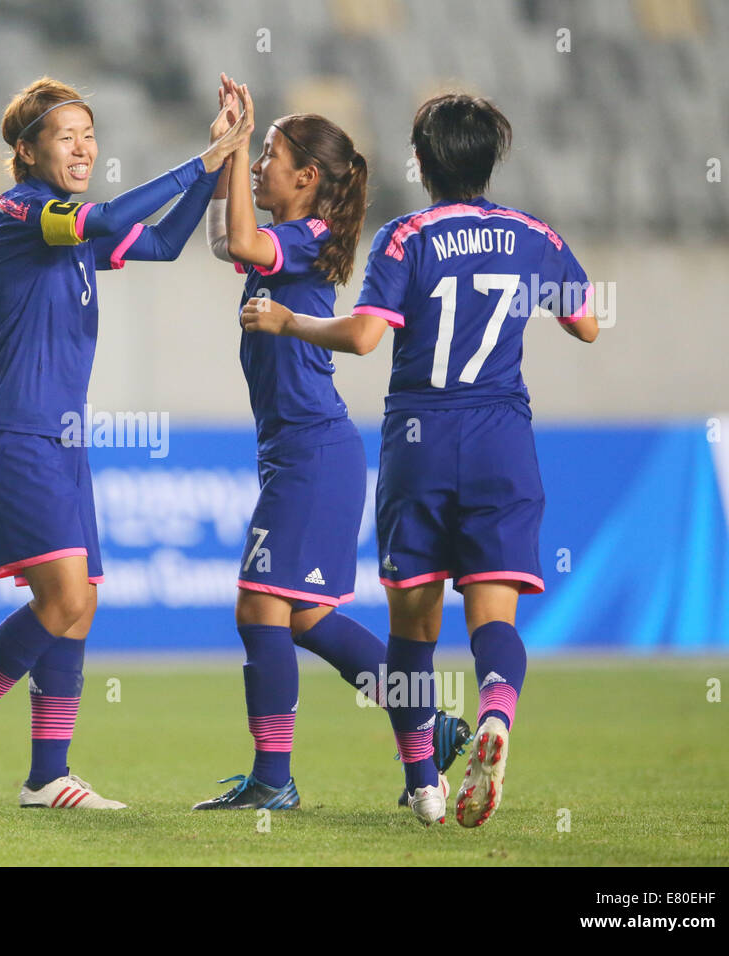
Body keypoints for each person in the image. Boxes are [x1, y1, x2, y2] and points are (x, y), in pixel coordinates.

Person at [240, 92, 599, 826]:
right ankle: (495, 712)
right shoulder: (533, 234)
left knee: (413, 632)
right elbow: (587, 325)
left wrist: (287, 318)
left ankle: (424, 787)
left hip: (421, 443)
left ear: (423, 161)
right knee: (494, 615)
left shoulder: (407, 237)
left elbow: (367, 336)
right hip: (502, 436)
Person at [0, 76, 250, 810]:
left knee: (81, 601)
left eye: (89, 135)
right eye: (65, 136)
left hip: (63, 442)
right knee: (61, 596)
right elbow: (106, 218)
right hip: (17, 432)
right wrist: (200, 161)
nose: (82, 147)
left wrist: (223, 160)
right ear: (27, 149)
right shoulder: (23, 212)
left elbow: (160, 241)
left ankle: (47, 776)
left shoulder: (70, 234)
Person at [194, 77, 468, 812]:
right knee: (306, 617)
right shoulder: (289, 240)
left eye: (271, 157)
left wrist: (238, 141)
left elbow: (243, 239)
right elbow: (228, 240)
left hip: (313, 451)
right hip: (302, 450)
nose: (259, 169)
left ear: (307, 178)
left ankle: (273, 780)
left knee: (259, 608)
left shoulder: (304, 238)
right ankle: (429, 727)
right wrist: (230, 151)